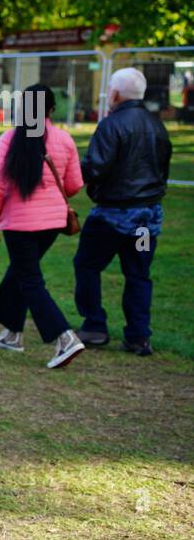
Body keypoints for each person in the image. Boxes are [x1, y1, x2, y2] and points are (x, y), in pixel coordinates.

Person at [0, 85, 86, 368]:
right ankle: (12, 333)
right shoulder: (64, 140)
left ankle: (64, 338)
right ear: (51, 110)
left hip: (19, 223)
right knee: (20, 272)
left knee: (29, 279)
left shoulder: (9, 139)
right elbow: (74, 185)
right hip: (52, 223)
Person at [73, 67, 172, 356]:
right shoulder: (157, 126)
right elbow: (162, 169)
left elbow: (95, 168)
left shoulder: (111, 125)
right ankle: (138, 336)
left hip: (112, 217)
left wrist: (74, 172)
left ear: (114, 94)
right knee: (138, 273)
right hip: (146, 220)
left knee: (87, 265)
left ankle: (94, 325)